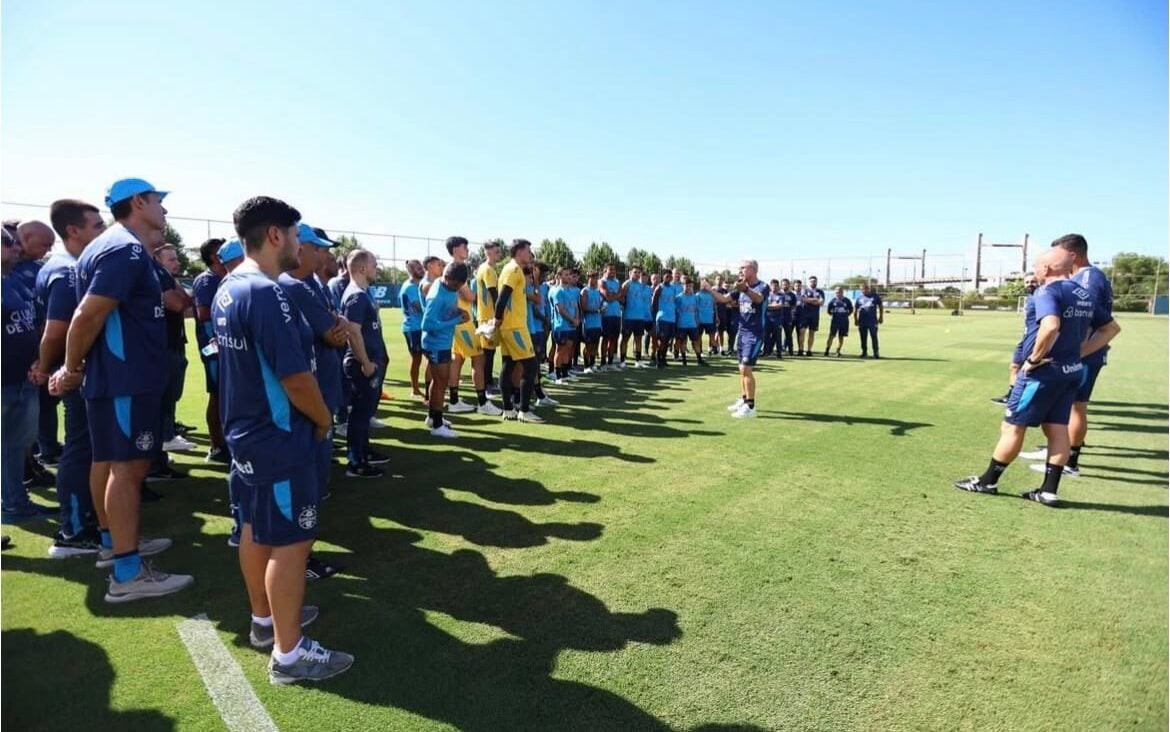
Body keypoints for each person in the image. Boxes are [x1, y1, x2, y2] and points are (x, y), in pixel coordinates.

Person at [215, 195, 352, 684]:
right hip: (277, 436)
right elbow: (295, 379)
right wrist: (321, 420)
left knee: (255, 528)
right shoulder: (266, 293)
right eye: (295, 234)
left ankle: (264, 622)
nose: (299, 243)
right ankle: (289, 656)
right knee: (292, 543)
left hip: (248, 436)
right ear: (275, 235)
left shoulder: (230, 286)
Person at [50, 177, 188, 602]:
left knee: (111, 463)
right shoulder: (123, 249)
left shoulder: (117, 247)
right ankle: (127, 573)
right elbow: (87, 316)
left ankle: (114, 545)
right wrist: (70, 368)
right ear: (139, 202)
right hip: (125, 379)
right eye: (158, 201)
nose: (164, 210)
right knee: (125, 470)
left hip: (121, 378)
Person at [953, 248, 1111, 506]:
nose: (1034, 272)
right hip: (1071, 371)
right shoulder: (1082, 293)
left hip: (1043, 374)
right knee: (1057, 429)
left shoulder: (1047, 291)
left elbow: (1050, 325)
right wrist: (1079, 352)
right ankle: (1048, 491)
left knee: (1013, 425)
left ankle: (987, 481)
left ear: (1046, 269)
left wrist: (1034, 359)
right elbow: (1110, 328)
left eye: (1037, 267)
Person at [1018, 234, 1122, 477]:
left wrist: (1077, 351)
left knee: (1076, 407)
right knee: (1062, 410)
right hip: (1076, 356)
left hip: (1079, 357)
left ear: (1071, 255)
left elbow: (1083, 318)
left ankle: (1069, 462)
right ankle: (1058, 453)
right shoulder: (1083, 277)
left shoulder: (1087, 278)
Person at [34, 200, 106, 548]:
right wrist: (52, 367)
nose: (103, 232)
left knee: (89, 448)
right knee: (81, 449)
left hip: (78, 372)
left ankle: (90, 520)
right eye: (96, 226)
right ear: (73, 231)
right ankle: (73, 531)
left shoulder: (69, 266)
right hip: (76, 376)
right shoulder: (67, 271)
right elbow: (56, 330)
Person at [2, 226, 54, 523]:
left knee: (14, 447)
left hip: (24, 379)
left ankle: (14, 504)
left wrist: (38, 360)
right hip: (5, 382)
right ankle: (12, 504)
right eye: (8, 243)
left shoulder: (13, 281)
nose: (16, 248)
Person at [339, 250, 387, 478]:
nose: (376, 269)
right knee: (359, 414)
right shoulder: (356, 295)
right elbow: (353, 332)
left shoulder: (362, 293)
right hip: (362, 365)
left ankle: (363, 451)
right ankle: (355, 462)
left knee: (364, 412)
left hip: (371, 362)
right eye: (374, 265)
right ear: (362, 268)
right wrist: (366, 363)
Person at [150, 244, 196, 481]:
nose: (176, 263)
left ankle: (162, 450)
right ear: (158, 261)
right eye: (170, 260)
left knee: (169, 400)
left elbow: (186, 300)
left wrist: (171, 279)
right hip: (162, 349)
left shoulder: (165, 277)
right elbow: (179, 304)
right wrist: (170, 284)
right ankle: (154, 460)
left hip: (174, 346)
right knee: (158, 405)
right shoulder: (153, 276)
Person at [488, 239, 545, 422]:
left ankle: (508, 409)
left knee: (508, 365)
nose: (530, 254)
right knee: (531, 366)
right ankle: (524, 409)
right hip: (514, 327)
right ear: (519, 252)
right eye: (528, 250)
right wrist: (496, 320)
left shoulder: (509, 269)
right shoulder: (513, 270)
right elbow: (502, 297)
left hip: (509, 326)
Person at [706, 260, 769, 418]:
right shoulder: (740, 287)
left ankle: (751, 406)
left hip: (755, 334)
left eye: (743, 268)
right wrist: (708, 289)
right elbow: (723, 299)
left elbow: (758, 299)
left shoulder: (762, 286)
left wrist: (746, 289)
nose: (740, 270)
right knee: (741, 369)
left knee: (746, 368)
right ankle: (744, 399)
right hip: (742, 332)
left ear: (753, 270)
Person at [445, 237, 499, 415]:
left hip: (458, 319)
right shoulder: (455, 269)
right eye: (464, 246)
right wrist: (475, 295)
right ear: (454, 249)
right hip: (462, 320)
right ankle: (483, 403)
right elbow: (469, 297)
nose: (467, 249)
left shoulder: (455, 267)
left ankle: (453, 400)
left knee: (457, 359)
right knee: (478, 358)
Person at [190, 238, 230, 462]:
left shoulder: (225, 278)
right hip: (213, 349)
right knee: (217, 394)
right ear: (214, 256)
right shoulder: (206, 281)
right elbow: (203, 313)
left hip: (227, 347)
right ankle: (216, 447)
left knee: (228, 394)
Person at [421, 262, 471, 438]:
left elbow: (447, 307)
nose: (457, 289)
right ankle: (437, 425)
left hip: (442, 343)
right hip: (436, 344)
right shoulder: (436, 295)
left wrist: (459, 310)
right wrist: (456, 320)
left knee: (438, 382)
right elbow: (427, 324)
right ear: (448, 278)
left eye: (460, 286)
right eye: (456, 285)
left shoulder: (447, 286)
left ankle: (432, 417)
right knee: (442, 384)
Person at [991, 275, 1037, 403]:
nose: (1030, 284)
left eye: (1033, 281)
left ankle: (1031, 397)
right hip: (1025, 337)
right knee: (1014, 366)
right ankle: (1012, 395)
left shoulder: (1042, 297)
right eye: (1027, 282)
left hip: (1034, 339)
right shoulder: (1029, 299)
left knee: (1030, 369)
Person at [525, 261, 558, 408]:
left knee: (537, 361)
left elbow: (543, 305)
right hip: (532, 328)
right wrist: (544, 319)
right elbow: (534, 307)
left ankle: (537, 391)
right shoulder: (529, 286)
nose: (543, 276)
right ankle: (531, 393)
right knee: (530, 363)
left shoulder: (542, 286)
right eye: (540, 272)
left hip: (538, 328)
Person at [474, 241, 503, 395]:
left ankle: (489, 382)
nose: (499, 254)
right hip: (488, 316)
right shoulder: (488, 270)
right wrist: (500, 312)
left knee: (489, 352)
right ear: (489, 252)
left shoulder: (487, 269)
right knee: (487, 353)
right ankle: (486, 386)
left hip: (487, 315)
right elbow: (494, 294)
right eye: (497, 252)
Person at [399, 259, 426, 399]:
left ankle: (432, 386)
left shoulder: (419, 285)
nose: (421, 269)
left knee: (428, 357)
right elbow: (419, 307)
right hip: (413, 328)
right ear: (410, 271)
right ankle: (415, 389)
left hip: (420, 326)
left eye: (420, 266)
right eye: (417, 268)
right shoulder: (410, 287)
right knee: (417, 359)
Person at [550, 266, 581, 384]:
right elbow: (560, 310)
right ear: (559, 276)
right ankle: (558, 376)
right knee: (560, 350)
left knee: (568, 349)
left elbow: (576, 306)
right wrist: (572, 319)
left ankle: (565, 373)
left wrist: (577, 319)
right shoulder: (558, 291)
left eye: (569, 274)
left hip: (572, 325)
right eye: (565, 274)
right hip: (561, 326)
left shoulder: (572, 291)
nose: (568, 277)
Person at [619, 266, 650, 367]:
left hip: (639, 318)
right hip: (628, 317)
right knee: (625, 339)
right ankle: (622, 361)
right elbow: (621, 298)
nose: (637, 274)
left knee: (638, 339)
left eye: (638, 273)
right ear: (630, 273)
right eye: (635, 272)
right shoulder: (627, 284)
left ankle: (638, 360)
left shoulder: (641, 286)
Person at [674, 276, 707, 366]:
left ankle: (699, 360)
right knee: (683, 342)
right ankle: (684, 360)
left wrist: (697, 321)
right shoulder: (678, 298)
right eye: (686, 286)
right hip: (682, 324)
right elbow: (675, 311)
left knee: (695, 341)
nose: (688, 288)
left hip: (692, 324)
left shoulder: (694, 297)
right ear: (683, 286)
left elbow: (696, 310)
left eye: (690, 286)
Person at [599, 264, 623, 370]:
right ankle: (603, 362)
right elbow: (607, 297)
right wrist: (615, 295)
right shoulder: (602, 281)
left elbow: (621, 295)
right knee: (605, 338)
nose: (613, 272)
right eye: (610, 270)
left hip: (616, 314)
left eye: (614, 270)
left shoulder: (617, 282)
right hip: (606, 314)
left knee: (614, 338)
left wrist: (614, 295)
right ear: (605, 271)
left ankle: (610, 362)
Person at [650, 271, 677, 368]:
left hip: (672, 318)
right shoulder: (660, 287)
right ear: (663, 277)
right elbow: (654, 302)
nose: (668, 278)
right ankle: (658, 358)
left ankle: (663, 358)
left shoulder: (673, 288)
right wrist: (654, 316)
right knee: (662, 339)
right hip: (662, 317)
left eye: (670, 276)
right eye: (667, 276)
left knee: (667, 340)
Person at [579, 272, 604, 374]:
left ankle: (592, 363)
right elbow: (584, 307)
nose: (595, 279)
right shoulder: (585, 291)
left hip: (598, 323)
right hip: (588, 323)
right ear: (588, 278)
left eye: (596, 277)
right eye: (593, 277)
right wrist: (597, 310)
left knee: (595, 344)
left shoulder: (598, 292)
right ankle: (586, 366)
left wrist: (602, 307)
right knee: (588, 345)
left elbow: (600, 304)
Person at [855, 281, 884, 359]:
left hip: (872, 321)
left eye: (864, 289)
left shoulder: (875, 296)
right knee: (863, 337)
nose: (863, 291)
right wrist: (856, 319)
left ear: (868, 289)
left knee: (874, 336)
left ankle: (876, 352)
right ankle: (864, 352)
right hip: (862, 321)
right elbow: (856, 309)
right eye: (861, 289)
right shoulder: (859, 298)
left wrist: (881, 317)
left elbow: (880, 306)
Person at [797, 276, 825, 356]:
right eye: (812, 281)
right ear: (809, 282)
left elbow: (822, 303)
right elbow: (804, 299)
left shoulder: (820, 291)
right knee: (802, 332)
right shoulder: (804, 290)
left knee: (812, 333)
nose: (813, 282)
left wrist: (810, 300)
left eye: (815, 281)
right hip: (804, 315)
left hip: (815, 315)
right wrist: (815, 300)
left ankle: (809, 350)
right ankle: (801, 349)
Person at [824, 287, 853, 357]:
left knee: (841, 336)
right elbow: (828, 311)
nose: (838, 293)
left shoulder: (847, 300)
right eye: (837, 292)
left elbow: (851, 310)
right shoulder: (832, 301)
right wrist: (835, 315)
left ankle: (838, 350)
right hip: (835, 321)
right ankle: (827, 350)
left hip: (844, 321)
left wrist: (845, 315)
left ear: (842, 292)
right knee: (831, 335)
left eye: (840, 292)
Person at [763, 279, 784, 358]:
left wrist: (769, 306)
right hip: (767, 318)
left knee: (778, 336)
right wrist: (773, 305)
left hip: (777, 318)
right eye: (773, 286)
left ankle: (779, 352)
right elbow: (764, 305)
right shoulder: (766, 295)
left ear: (778, 286)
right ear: (770, 286)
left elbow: (780, 305)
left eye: (776, 286)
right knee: (766, 336)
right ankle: (766, 352)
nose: (774, 287)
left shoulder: (781, 295)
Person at [696, 278, 718, 356]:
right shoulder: (698, 295)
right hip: (700, 320)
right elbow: (695, 308)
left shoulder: (711, 295)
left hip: (710, 319)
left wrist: (717, 317)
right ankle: (700, 351)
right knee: (699, 336)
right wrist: (696, 318)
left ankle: (714, 350)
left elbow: (715, 306)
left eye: (706, 284)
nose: (704, 286)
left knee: (712, 335)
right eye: (703, 284)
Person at [777, 279, 798, 356]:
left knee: (788, 334)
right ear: (781, 285)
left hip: (787, 317)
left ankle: (791, 351)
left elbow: (793, 306)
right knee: (777, 334)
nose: (785, 286)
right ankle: (777, 350)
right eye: (783, 284)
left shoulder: (792, 295)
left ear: (789, 285)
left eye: (786, 284)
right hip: (778, 317)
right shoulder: (778, 294)